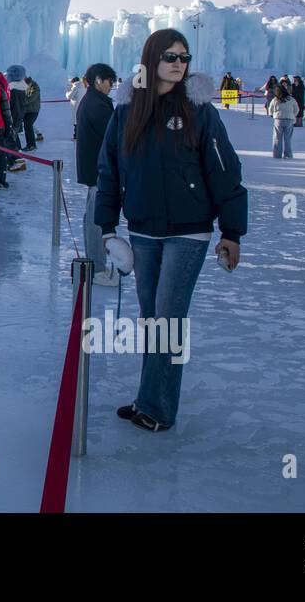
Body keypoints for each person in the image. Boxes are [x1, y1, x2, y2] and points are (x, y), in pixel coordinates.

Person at [96, 30, 247, 433]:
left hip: (189, 233)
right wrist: (108, 228)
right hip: (144, 231)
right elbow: (109, 171)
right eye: (169, 55)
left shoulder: (200, 111)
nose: (178, 62)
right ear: (151, 59)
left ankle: (160, 408)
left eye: (184, 55)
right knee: (151, 320)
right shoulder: (126, 111)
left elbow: (225, 171)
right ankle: (149, 398)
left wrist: (231, 232)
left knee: (168, 318)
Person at [75, 63, 117, 284]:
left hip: (95, 168)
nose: (112, 86)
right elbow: (113, 137)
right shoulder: (97, 104)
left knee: (94, 216)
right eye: (110, 81)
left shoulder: (92, 101)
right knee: (96, 219)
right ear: (99, 80)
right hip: (99, 169)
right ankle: (97, 269)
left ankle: (96, 265)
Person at [6, 65, 29, 171]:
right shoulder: (21, 88)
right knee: (12, 141)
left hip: (13, 119)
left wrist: (10, 122)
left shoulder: (14, 89)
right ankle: (13, 161)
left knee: (10, 142)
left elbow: (14, 107)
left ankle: (18, 161)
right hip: (17, 118)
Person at [269, 84, 298, 158]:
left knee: (277, 138)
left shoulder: (275, 99)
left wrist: (273, 115)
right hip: (289, 120)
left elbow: (270, 109)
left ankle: (277, 154)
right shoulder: (291, 99)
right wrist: (293, 115)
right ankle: (288, 154)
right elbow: (296, 109)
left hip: (278, 119)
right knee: (287, 139)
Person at [21, 76, 42, 151]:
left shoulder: (35, 87)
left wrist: (21, 101)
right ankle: (30, 144)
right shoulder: (26, 85)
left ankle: (31, 145)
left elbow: (32, 98)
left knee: (28, 125)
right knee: (27, 125)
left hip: (33, 110)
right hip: (27, 110)